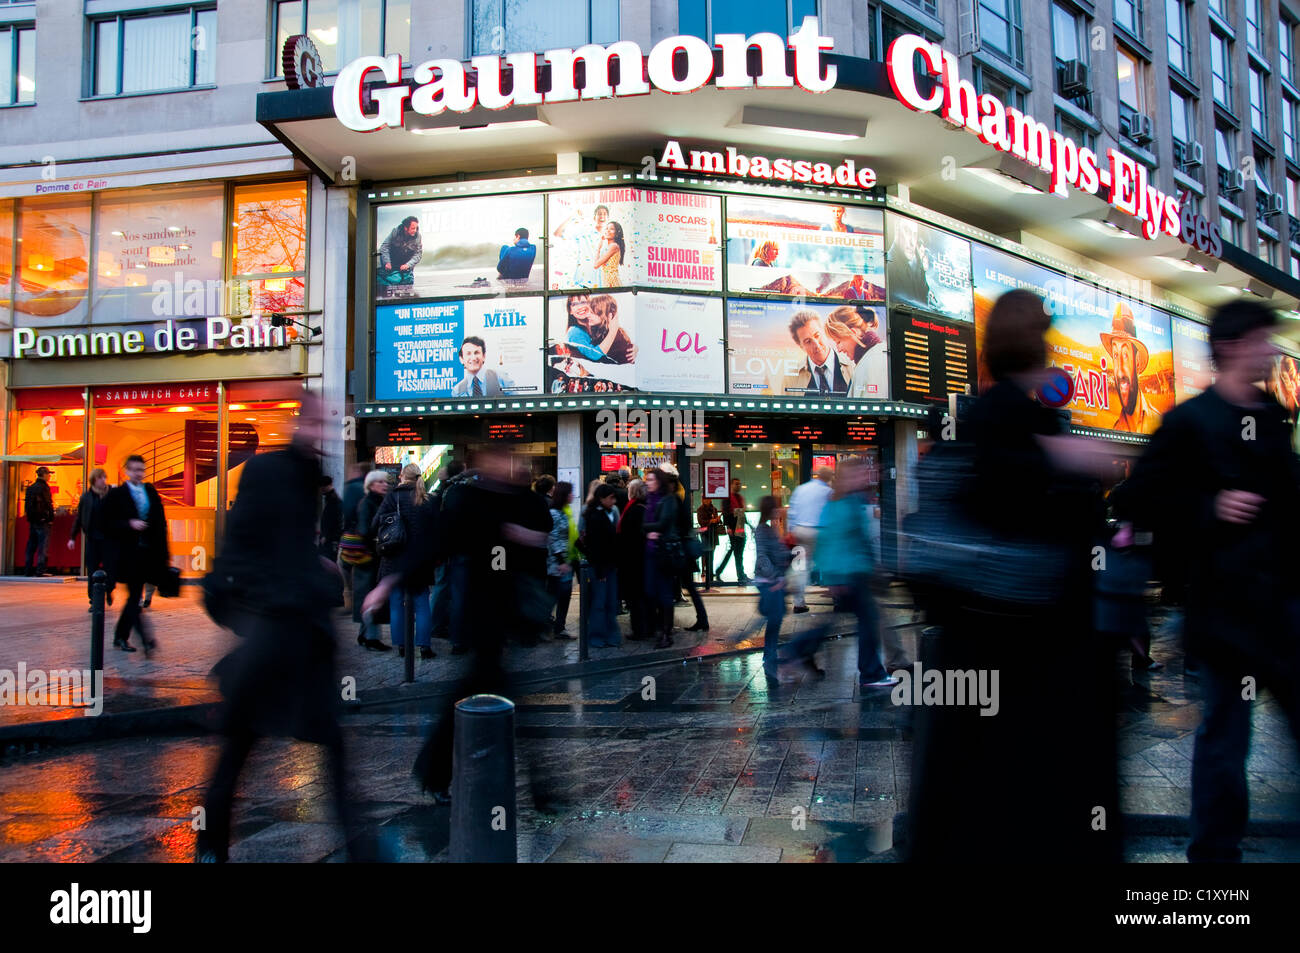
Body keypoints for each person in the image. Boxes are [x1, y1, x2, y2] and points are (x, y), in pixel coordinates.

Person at [906, 289, 1118, 864]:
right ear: (1038, 345)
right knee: (1038, 802)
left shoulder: (976, 424)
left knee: (968, 799)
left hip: (974, 651)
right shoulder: (1034, 428)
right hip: (1041, 653)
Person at [1110, 298, 1300, 863]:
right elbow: (1137, 498)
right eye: (1263, 340)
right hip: (1222, 614)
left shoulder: (1270, 417)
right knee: (1223, 737)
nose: (1272, 351)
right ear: (1234, 347)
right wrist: (1209, 506)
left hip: (1280, 608)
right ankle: (1214, 859)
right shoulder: (1189, 423)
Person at [198, 391, 367, 863]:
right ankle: (210, 845)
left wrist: (315, 566)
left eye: (328, 426)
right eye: (316, 424)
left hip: (305, 639)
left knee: (331, 747)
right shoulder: (269, 471)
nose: (322, 433)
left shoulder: (306, 479)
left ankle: (363, 850)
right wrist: (255, 599)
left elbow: (284, 545)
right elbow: (244, 543)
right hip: (274, 635)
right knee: (239, 748)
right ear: (298, 425)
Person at [365, 448, 551, 803]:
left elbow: (539, 532)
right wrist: (390, 582)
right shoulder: (469, 499)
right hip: (485, 615)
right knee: (494, 696)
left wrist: (525, 539)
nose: (509, 467)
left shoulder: (516, 499)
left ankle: (439, 772)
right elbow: (437, 544)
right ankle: (538, 786)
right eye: (500, 460)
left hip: (508, 613)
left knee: (491, 693)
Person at [795, 458, 899, 685]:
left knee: (838, 619)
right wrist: (834, 577)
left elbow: (856, 539)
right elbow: (830, 541)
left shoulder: (846, 501)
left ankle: (801, 649)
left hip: (854, 571)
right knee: (867, 620)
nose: (867, 477)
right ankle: (871, 673)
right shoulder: (841, 504)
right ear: (849, 477)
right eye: (862, 474)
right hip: (849, 573)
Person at [102, 455, 169, 655]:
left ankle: (121, 636)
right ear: (126, 471)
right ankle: (144, 639)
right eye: (135, 470)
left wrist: (163, 554)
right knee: (134, 596)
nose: (139, 474)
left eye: (142, 470)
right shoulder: (117, 495)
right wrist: (128, 524)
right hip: (127, 554)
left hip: (147, 553)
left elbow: (160, 523)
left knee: (134, 597)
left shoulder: (150, 491)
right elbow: (106, 523)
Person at [375, 463, 435, 659]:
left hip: (394, 559)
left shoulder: (392, 497)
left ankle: (401, 645)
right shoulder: (427, 500)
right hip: (419, 560)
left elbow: (375, 523)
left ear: (402, 476)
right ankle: (424, 646)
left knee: (396, 603)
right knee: (422, 604)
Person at [1102, 303, 1163, 434]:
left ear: (1137, 363)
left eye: (1125, 354)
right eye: (1116, 355)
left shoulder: (1159, 423)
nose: (1120, 371)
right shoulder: (1116, 429)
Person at [753, 495, 793, 684]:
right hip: (769, 582)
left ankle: (770, 654)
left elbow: (780, 553)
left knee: (775, 617)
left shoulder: (770, 528)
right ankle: (769, 656)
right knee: (774, 618)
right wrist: (774, 579)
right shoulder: (763, 530)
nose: (780, 509)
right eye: (777, 507)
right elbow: (763, 557)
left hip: (774, 581)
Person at [642, 467, 682, 648]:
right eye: (647, 480)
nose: (647, 482)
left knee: (664, 593)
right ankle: (661, 628)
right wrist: (649, 530)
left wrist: (648, 529)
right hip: (651, 552)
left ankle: (666, 633)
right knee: (652, 592)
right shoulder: (650, 499)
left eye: (650, 479)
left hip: (664, 552)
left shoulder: (668, 499)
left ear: (659, 481)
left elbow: (664, 523)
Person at [352, 470, 392, 651]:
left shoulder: (375, 502)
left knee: (369, 596)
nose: (385, 485)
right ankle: (371, 638)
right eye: (380, 482)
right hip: (370, 558)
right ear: (371, 485)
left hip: (371, 557)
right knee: (372, 598)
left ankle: (365, 634)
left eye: (386, 482)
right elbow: (365, 530)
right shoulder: (369, 503)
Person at [430, 460, 467, 651]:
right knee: (458, 592)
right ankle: (457, 637)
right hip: (459, 551)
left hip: (446, 549)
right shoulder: (461, 492)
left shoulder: (442, 493)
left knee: (444, 587)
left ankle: (440, 628)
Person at [786, 466, 834, 614]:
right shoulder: (828, 492)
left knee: (800, 566)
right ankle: (837, 597)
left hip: (800, 531)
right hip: (821, 532)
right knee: (830, 564)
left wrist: (791, 531)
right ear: (829, 478)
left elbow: (792, 512)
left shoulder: (801, 489)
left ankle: (798, 603)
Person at [669, 465, 708, 632]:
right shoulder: (679, 499)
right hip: (683, 551)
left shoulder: (674, 500)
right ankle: (702, 620)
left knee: (686, 586)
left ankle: (668, 625)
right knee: (690, 587)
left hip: (680, 552)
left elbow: (678, 527)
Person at [582, 483, 622, 647]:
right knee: (600, 602)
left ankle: (609, 634)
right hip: (601, 567)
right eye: (610, 498)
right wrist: (600, 570)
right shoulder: (594, 516)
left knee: (609, 602)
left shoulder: (608, 513)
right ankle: (598, 636)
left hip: (608, 565)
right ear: (601, 498)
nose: (613, 501)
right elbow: (597, 545)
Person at [69, 467, 112, 608]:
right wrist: (72, 537)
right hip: (92, 539)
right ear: (94, 480)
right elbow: (79, 517)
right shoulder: (86, 497)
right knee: (92, 571)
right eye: (100, 478)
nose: (103, 480)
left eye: (104, 477)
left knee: (110, 569)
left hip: (108, 539)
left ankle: (109, 590)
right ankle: (93, 601)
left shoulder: (111, 494)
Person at [826, 305, 888, 399]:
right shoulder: (874, 355)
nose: (838, 349)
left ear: (853, 333)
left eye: (838, 342)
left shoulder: (871, 363)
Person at [617, 479, 650, 641]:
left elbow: (629, 537)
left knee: (636, 597)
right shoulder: (645, 508)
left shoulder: (633, 510)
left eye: (629, 489)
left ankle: (639, 630)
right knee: (641, 596)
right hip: (642, 559)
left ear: (633, 492)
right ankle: (645, 628)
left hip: (634, 561)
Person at [789, 311, 851, 396]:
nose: (817, 345)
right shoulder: (790, 378)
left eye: (817, 335)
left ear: (824, 331)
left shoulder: (853, 368)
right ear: (801, 346)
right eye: (808, 341)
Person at [546, 482, 577, 641]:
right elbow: (553, 538)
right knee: (556, 595)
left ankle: (558, 627)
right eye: (570, 493)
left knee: (562, 595)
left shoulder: (564, 512)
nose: (573, 495)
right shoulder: (555, 513)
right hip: (557, 563)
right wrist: (561, 561)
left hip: (565, 560)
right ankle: (551, 628)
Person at [338, 462, 368, 610]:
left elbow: (347, 512)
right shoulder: (366, 488)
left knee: (345, 567)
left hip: (353, 537)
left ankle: (350, 602)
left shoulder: (352, 488)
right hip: (365, 538)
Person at [714, 478, 749, 585]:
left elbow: (741, 512)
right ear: (731, 485)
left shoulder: (739, 497)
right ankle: (740, 575)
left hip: (740, 525)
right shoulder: (727, 498)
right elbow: (725, 513)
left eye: (739, 484)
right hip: (734, 527)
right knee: (736, 551)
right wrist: (728, 527)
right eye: (736, 484)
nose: (738, 485)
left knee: (737, 551)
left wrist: (748, 524)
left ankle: (740, 575)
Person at [23, 466, 55, 576]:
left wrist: (30, 518)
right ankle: (40, 570)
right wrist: (50, 518)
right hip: (43, 520)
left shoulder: (31, 488)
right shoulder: (44, 488)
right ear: (44, 475)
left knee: (31, 545)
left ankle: (27, 569)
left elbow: (27, 505)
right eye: (48, 474)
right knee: (43, 546)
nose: (50, 476)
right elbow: (48, 503)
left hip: (33, 521)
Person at [377, 215, 421, 286]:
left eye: (416, 228)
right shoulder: (395, 232)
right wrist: (387, 262)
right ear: (406, 228)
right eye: (413, 228)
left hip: (405, 264)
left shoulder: (418, 237)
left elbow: (418, 255)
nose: (415, 230)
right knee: (388, 281)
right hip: (391, 261)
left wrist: (408, 265)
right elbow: (384, 247)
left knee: (406, 282)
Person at [696, 496, 720, 590]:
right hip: (705, 534)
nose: (707, 500)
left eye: (708, 498)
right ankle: (705, 572)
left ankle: (710, 574)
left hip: (713, 534)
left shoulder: (714, 509)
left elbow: (718, 522)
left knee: (712, 554)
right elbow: (701, 522)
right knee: (706, 554)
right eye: (705, 499)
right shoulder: (700, 509)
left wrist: (717, 520)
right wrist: (711, 521)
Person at [318, 474, 342, 561]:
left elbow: (331, 520)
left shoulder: (333, 500)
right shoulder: (332, 498)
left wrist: (326, 536)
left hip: (329, 539)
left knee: (327, 560)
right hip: (330, 538)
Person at [594, 220, 626, 287]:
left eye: (611, 229)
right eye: (606, 228)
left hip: (612, 281)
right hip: (608, 281)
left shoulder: (613, 246)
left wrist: (598, 248)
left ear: (617, 233)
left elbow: (596, 265)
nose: (608, 231)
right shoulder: (611, 246)